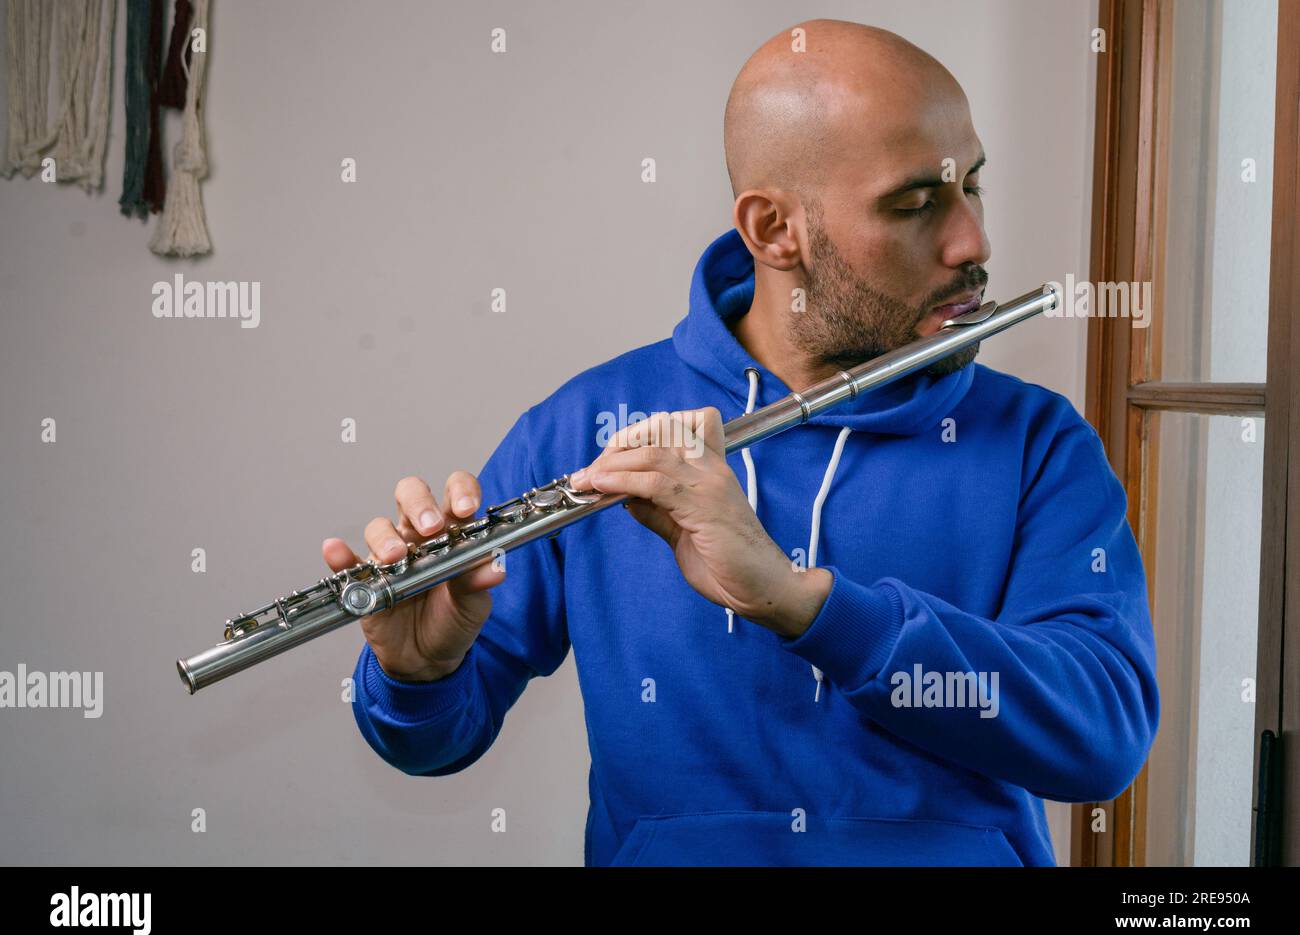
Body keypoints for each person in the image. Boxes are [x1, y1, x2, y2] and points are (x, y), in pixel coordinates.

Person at [330, 19, 1160, 866]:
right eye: (914, 204)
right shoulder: (592, 427)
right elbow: (435, 742)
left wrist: (809, 608)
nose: (971, 243)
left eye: (971, 188)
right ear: (772, 230)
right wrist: (416, 677)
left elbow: (1102, 737)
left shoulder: (1036, 444)